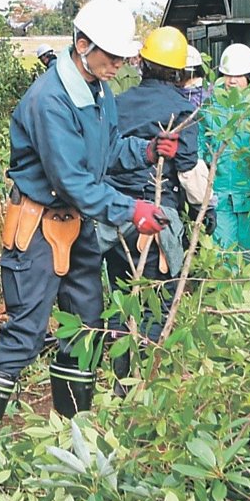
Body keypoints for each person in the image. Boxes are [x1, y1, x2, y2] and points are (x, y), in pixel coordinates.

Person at [0, 0, 177, 458]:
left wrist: (145, 151)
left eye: (122, 56)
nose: (119, 65)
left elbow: (107, 151)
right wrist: (130, 209)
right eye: (111, 56)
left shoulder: (99, 91)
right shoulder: (50, 100)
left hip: (78, 225)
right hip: (38, 225)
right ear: (83, 45)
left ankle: (72, 434)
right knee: (27, 331)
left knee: (85, 327)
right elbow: (72, 180)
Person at [96, 27, 197, 391]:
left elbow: (104, 155)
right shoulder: (183, 110)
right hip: (156, 217)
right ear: (180, 71)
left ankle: (121, 384)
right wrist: (204, 211)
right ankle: (148, 388)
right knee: (157, 302)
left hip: (117, 216)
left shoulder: (117, 102)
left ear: (143, 64)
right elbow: (188, 167)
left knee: (122, 296)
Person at [199, 43, 250, 257]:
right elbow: (200, 147)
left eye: (238, 75)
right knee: (223, 255)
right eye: (228, 75)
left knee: (249, 254)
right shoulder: (210, 107)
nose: (232, 81)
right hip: (219, 196)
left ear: (249, 76)